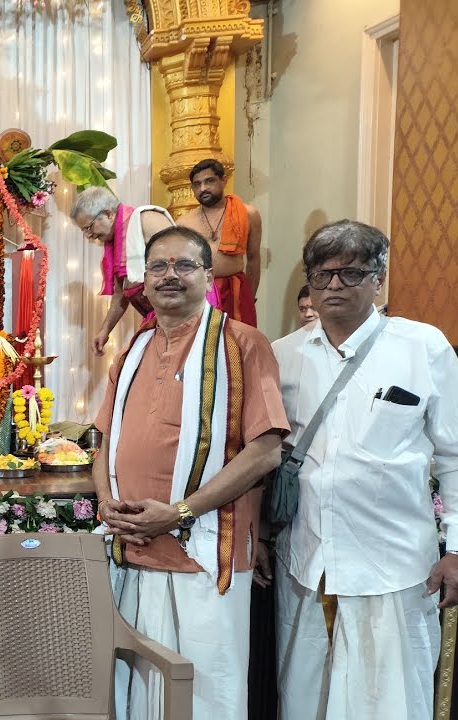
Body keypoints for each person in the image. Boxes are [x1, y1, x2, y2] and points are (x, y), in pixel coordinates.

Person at [93, 226, 288, 720]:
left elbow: (265, 452)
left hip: (204, 552)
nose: (169, 277)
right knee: (138, 689)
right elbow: (103, 441)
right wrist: (104, 501)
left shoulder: (244, 344)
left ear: (208, 275)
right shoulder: (131, 350)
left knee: (204, 692)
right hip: (133, 551)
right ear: (144, 278)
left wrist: (179, 512)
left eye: (184, 266)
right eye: (158, 267)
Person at [271, 220, 458, 720]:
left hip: (393, 563)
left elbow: (457, 456)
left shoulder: (424, 347)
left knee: (390, 700)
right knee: (304, 697)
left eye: (351, 273)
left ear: (379, 278)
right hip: (306, 561)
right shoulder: (283, 356)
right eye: (322, 274)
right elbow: (264, 456)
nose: (334, 286)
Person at [72, 186, 178, 356]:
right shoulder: (113, 244)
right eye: (84, 231)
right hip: (161, 319)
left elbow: (180, 265)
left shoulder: (146, 219)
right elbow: (121, 292)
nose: (89, 236)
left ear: (108, 213)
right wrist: (104, 330)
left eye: (89, 227)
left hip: (182, 316)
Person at [177, 159, 262, 326]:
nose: (203, 188)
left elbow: (253, 259)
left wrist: (249, 297)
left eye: (209, 181)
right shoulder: (184, 223)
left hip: (236, 291)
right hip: (201, 292)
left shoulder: (248, 214)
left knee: (240, 344)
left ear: (223, 180)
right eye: (197, 184)